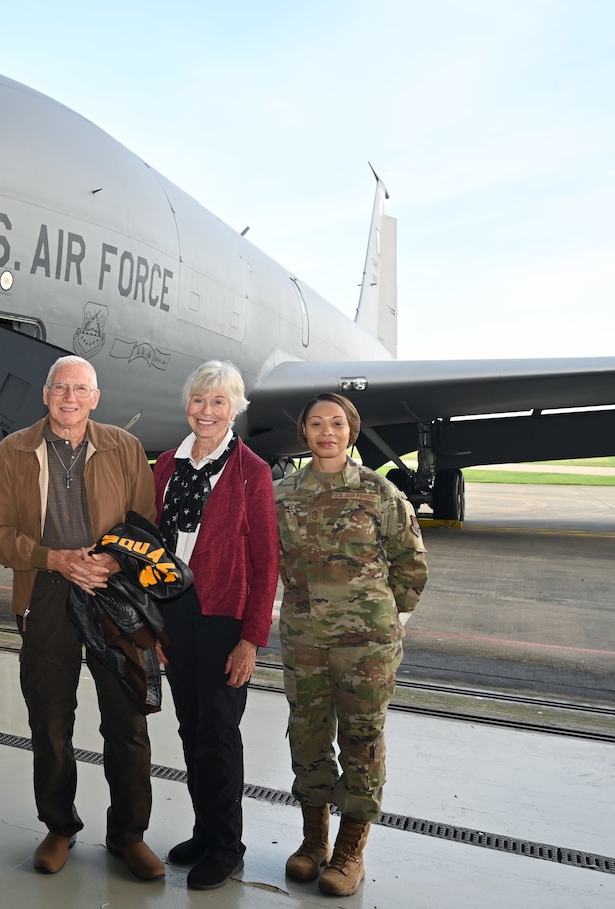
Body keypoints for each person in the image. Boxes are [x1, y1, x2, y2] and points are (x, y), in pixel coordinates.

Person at [0, 355, 165, 881]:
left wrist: (114, 560)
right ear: (45, 395)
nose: (69, 397)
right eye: (60, 388)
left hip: (114, 597)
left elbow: (145, 524)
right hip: (45, 595)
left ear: (96, 397)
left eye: (80, 389)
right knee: (50, 721)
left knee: (127, 721)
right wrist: (54, 559)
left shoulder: (125, 448)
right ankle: (59, 825)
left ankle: (129, 833)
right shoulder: (13, 451)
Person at [273, 392, 428, 897]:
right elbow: (267, 562)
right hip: (304, 642)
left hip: (366, 647)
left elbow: (410, 565)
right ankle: (313, 840)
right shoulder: (281, 495)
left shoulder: (378, 493)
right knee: (308, 737)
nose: (326, 431)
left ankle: (350, 850)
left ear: (351, 431)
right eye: (316, 423)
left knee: (362, 742)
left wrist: (381, 618)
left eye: (336, 423)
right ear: (304, 433)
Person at [152, 360, 279, 890]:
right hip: (174, 614)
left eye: (218, 402)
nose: (207, 411)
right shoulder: (164, 464)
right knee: (189, 728)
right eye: (199, 401)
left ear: (234, 409)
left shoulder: (252, 471)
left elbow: (266, 561)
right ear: (188, 405)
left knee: (219, 733)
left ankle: (227, 845)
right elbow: (150, 546)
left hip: (225, 617)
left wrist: (252, 638)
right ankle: (205, 831)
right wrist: (155, 623)